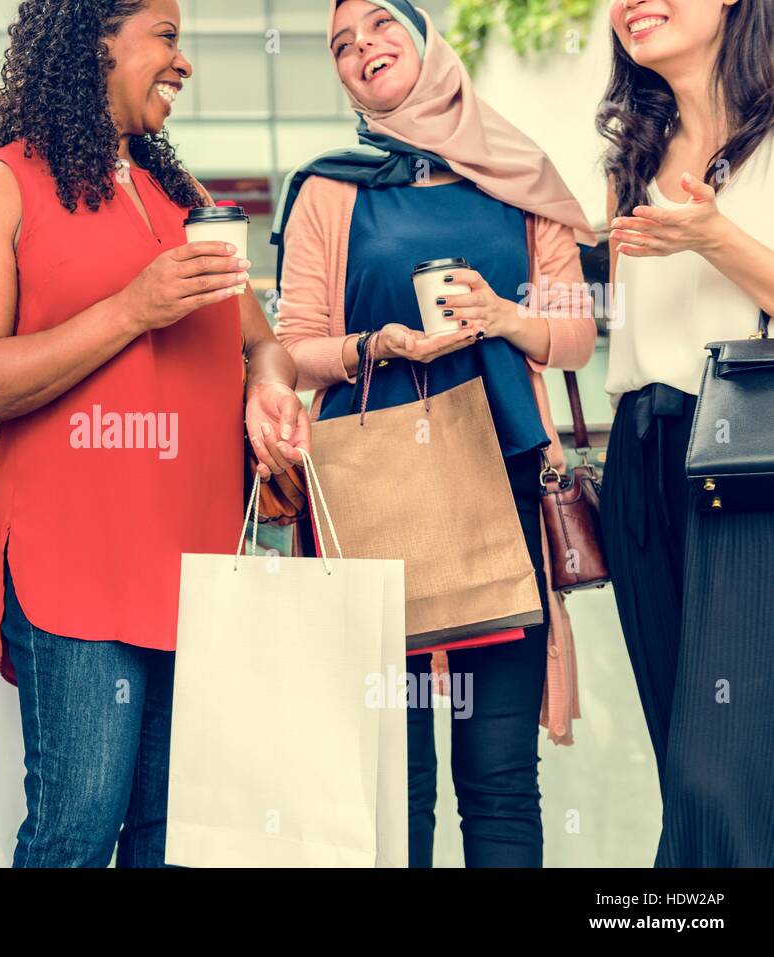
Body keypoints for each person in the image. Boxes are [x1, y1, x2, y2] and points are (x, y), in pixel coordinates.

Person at [0, 0, 310, 868]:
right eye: (167, 38)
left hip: (201, 562)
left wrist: (268, 391)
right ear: (95, 40)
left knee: (172, 837)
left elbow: (263, 343)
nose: (183, 64)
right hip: (78, 567)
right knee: (76, 832)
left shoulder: (188, 199)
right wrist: (133, 309)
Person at [273, 0, 597, 867]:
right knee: (394, 783)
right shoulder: (327, 189)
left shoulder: (520, 172)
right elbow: (292, 347)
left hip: (499, 491)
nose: (361, 48)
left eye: (381, 25)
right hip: (372, 500)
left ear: (426, 40)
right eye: (341, 44)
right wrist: (372, 345)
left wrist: (502, 316)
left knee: (498, 781)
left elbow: (575, 334)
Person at [598, 0, 774, 866]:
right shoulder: (633, 157)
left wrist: (715, 237)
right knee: (684, 759)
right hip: (641, 451)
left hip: (747, 458)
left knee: (725, 767)